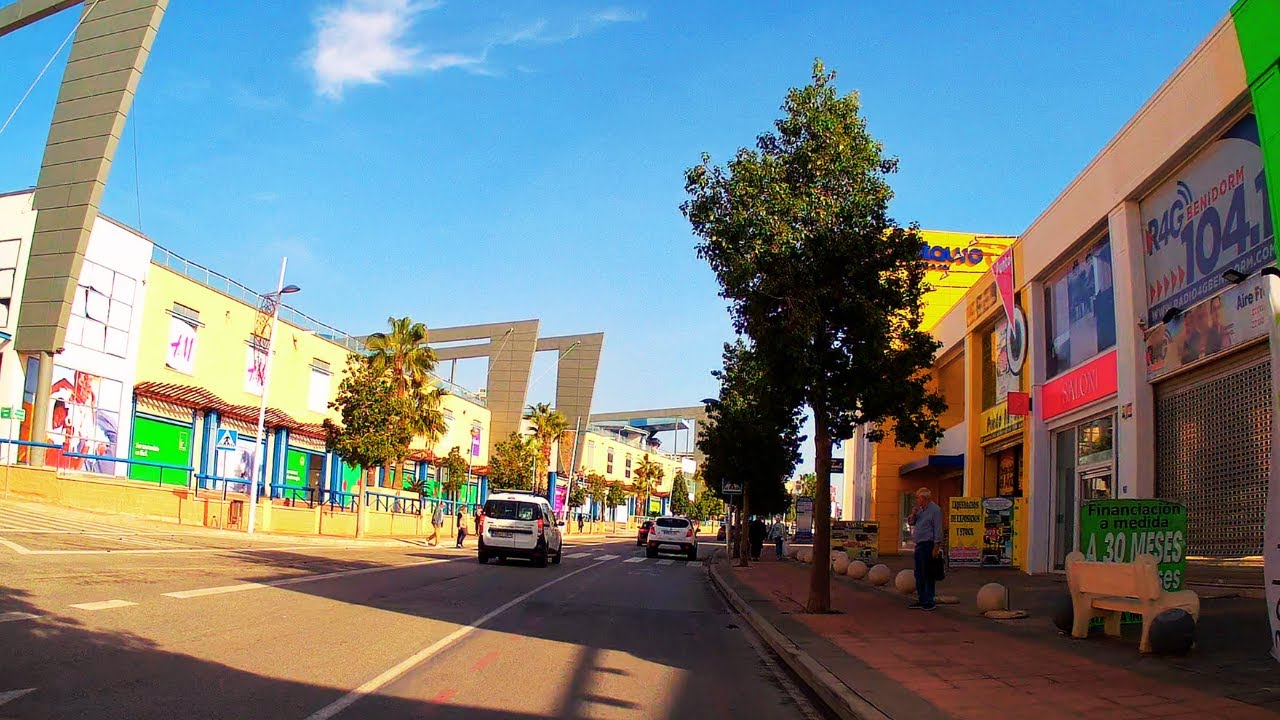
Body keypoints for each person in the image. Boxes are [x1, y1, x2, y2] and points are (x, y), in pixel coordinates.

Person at [907, 487, 943, 610]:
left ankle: (929, 600)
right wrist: (913, 514)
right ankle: (922, 599)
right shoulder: (920, 510)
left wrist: (936, 546)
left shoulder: (935, 510)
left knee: (928, 573)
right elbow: (911, 523)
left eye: (918, 498)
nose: (917, 500)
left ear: (924, 498)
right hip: (919, 545)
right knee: (919, 573)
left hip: (928, 544)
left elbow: (938, 528)